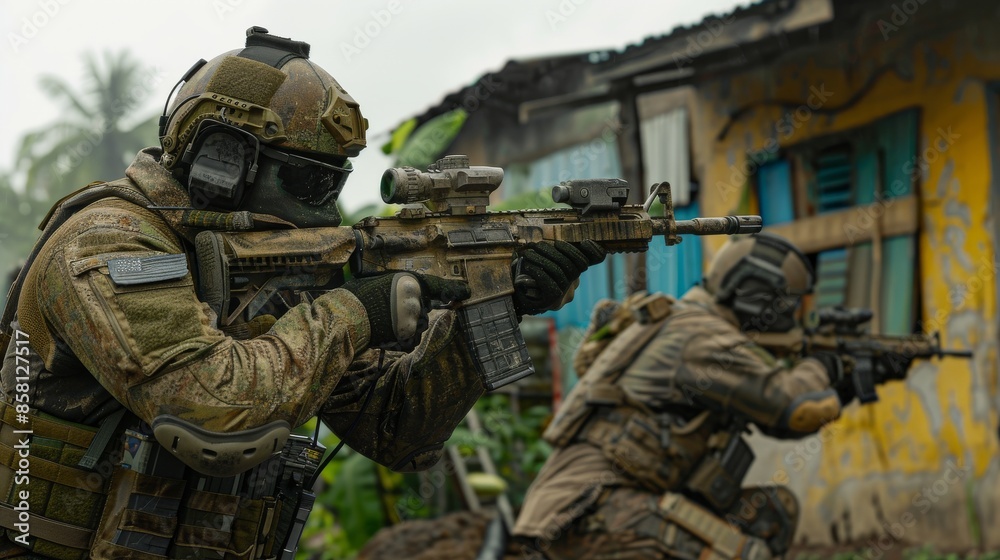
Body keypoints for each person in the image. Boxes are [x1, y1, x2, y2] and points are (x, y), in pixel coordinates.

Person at [0, 28, 604, 559]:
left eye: (337, 181)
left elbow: (397, 428)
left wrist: (498, 304)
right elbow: (211, 408)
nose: (330, 207)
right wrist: (356, 312)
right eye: (313, 181)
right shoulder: (109, 242)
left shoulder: (272, 271)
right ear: (225, 162)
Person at [512, 233, 912, 560]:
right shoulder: (700, 336)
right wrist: (828, 364)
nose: (795, 317)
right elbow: (792, 405)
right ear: (757, 299)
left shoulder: (685, 322)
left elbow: (784, 420)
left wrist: (847, 380)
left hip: (616, 504)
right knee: (739, 553)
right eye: (789, 306)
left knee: (769, 515)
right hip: (587, 511)